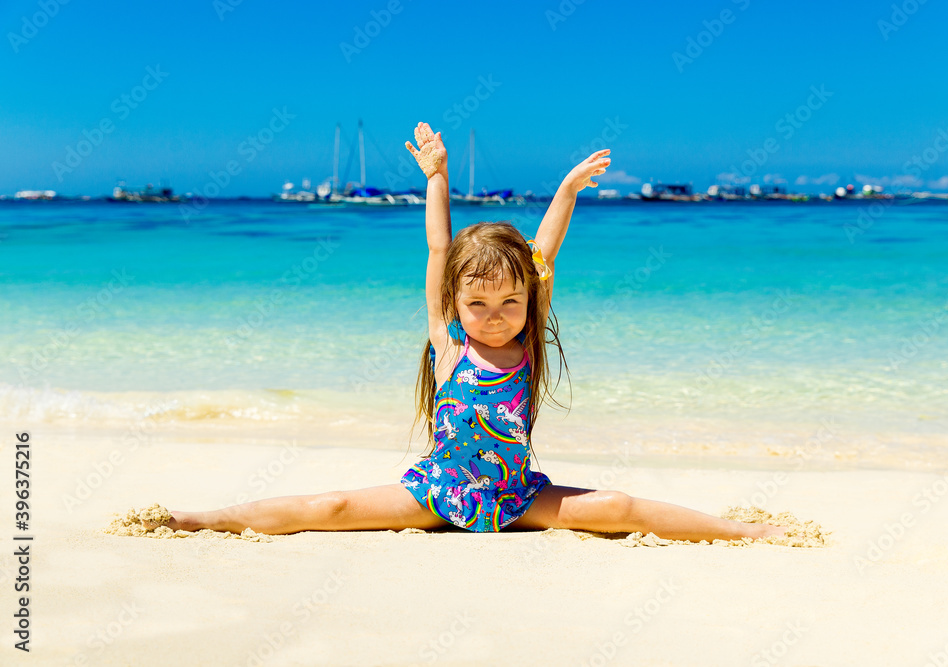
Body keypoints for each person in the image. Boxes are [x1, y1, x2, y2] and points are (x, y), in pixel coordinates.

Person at [145, 122, 784, 542]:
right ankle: (203, 517)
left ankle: (744, 532)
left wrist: (566, 189)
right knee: (332, 508)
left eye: (511, 300)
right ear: (456, 302)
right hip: (435, 493)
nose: (497, 312)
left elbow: (544, 255)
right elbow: (437, 248)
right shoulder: (448, 341)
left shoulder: (529, 346)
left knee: (616, 505)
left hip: (518, 498)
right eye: (479, 302)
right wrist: (437, 178)